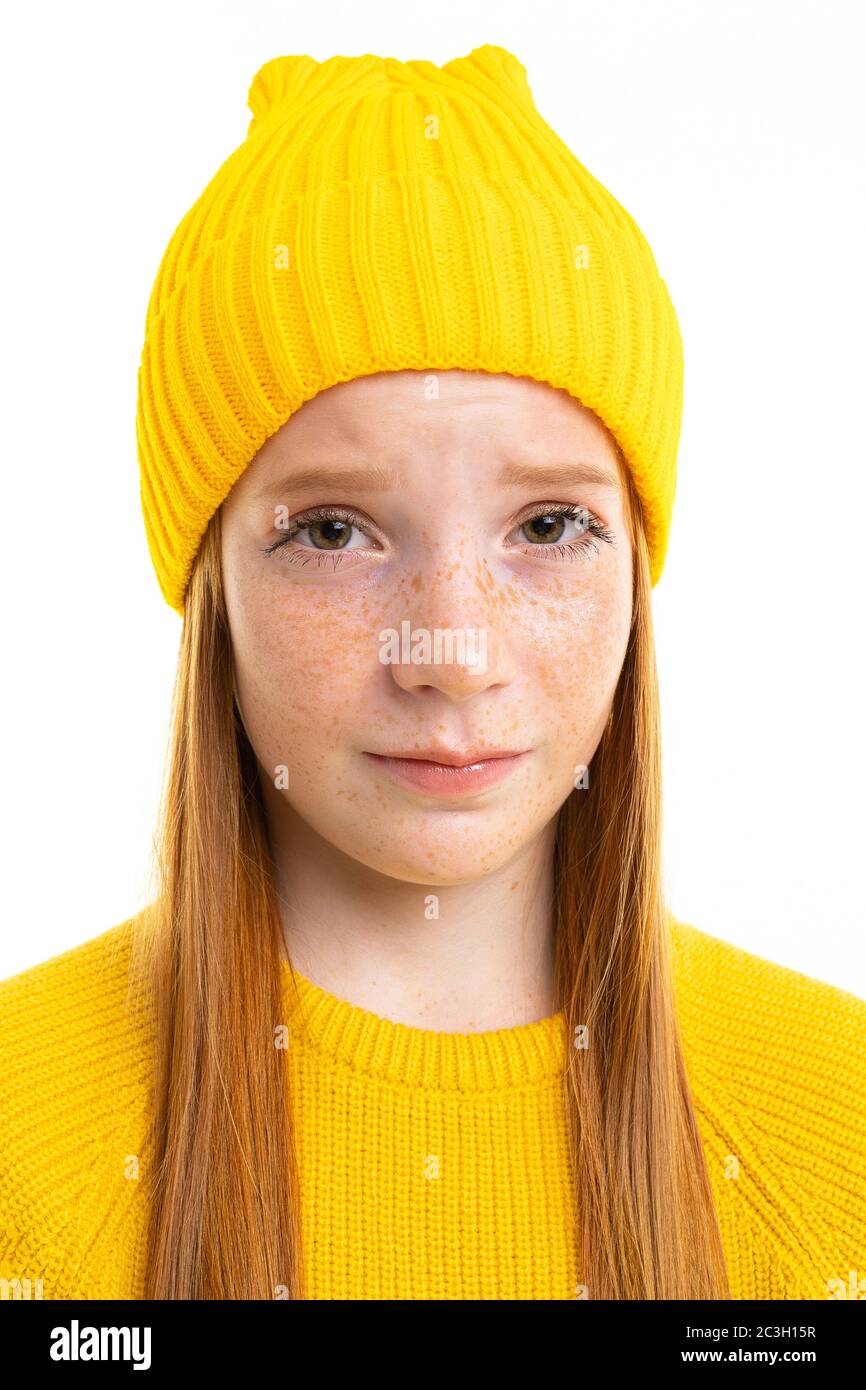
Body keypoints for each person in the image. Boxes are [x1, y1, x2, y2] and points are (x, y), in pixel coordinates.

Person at [1, 44, 864, 1303]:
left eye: (549, 526)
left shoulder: (836, 1145)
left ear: (636, 568)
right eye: (333, 529)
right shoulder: (21, 1162)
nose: (451, 655)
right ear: (212, 593)